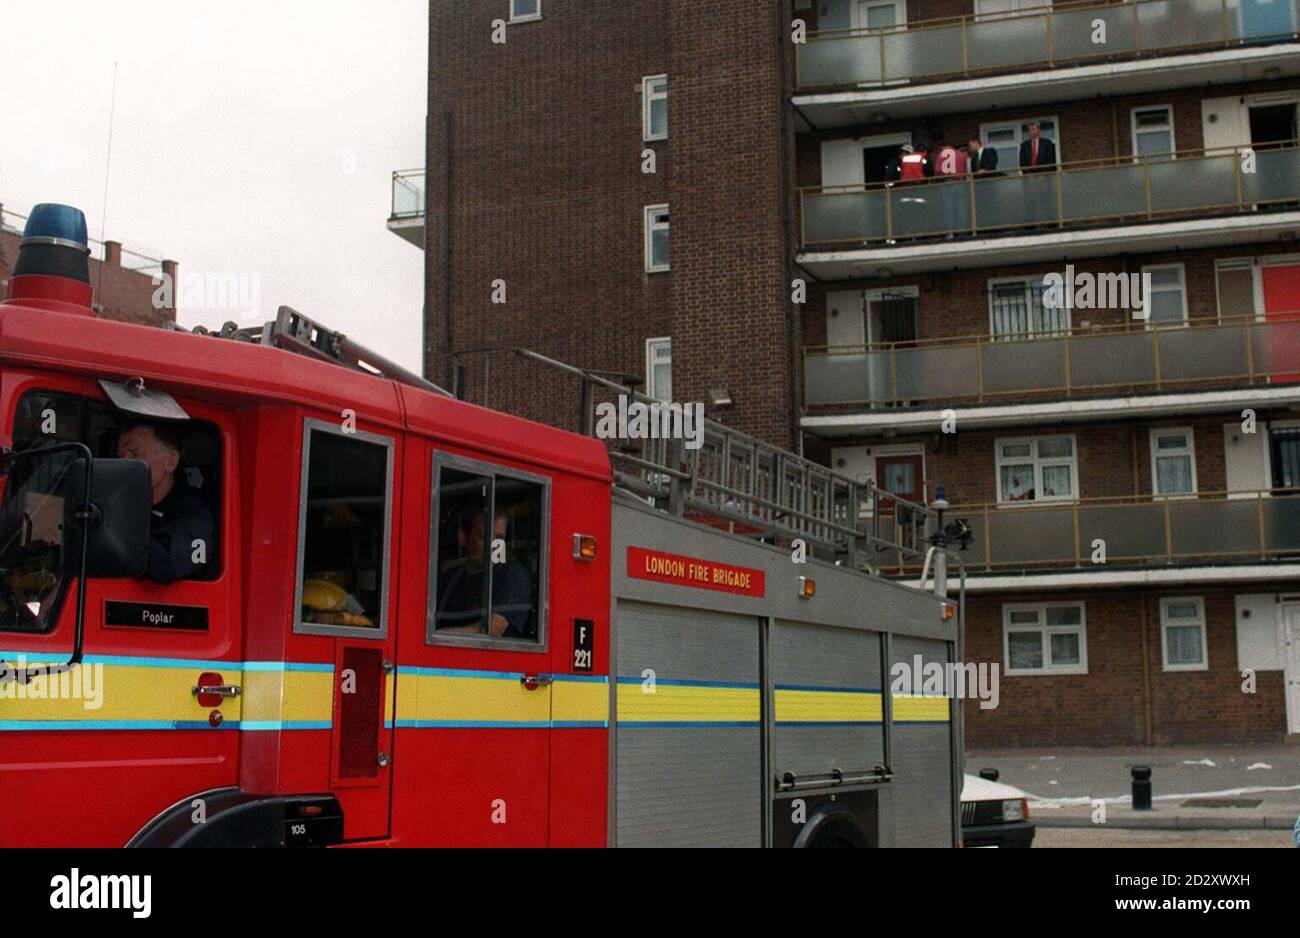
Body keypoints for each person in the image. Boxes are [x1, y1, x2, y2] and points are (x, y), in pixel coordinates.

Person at [116, 421, 215, 585]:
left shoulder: (195, 513)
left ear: (171, 461)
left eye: (135, 455)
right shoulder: (116, 504)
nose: (123, 464)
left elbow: (168, 563)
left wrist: (107, 535)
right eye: (120, 457)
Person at [436, 506, 535, 640]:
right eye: (485, 536)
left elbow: (493, 629)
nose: (494, 545)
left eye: (499, 537)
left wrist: (438, 635)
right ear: (463, 537)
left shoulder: (512, 575)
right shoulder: (451, 576)